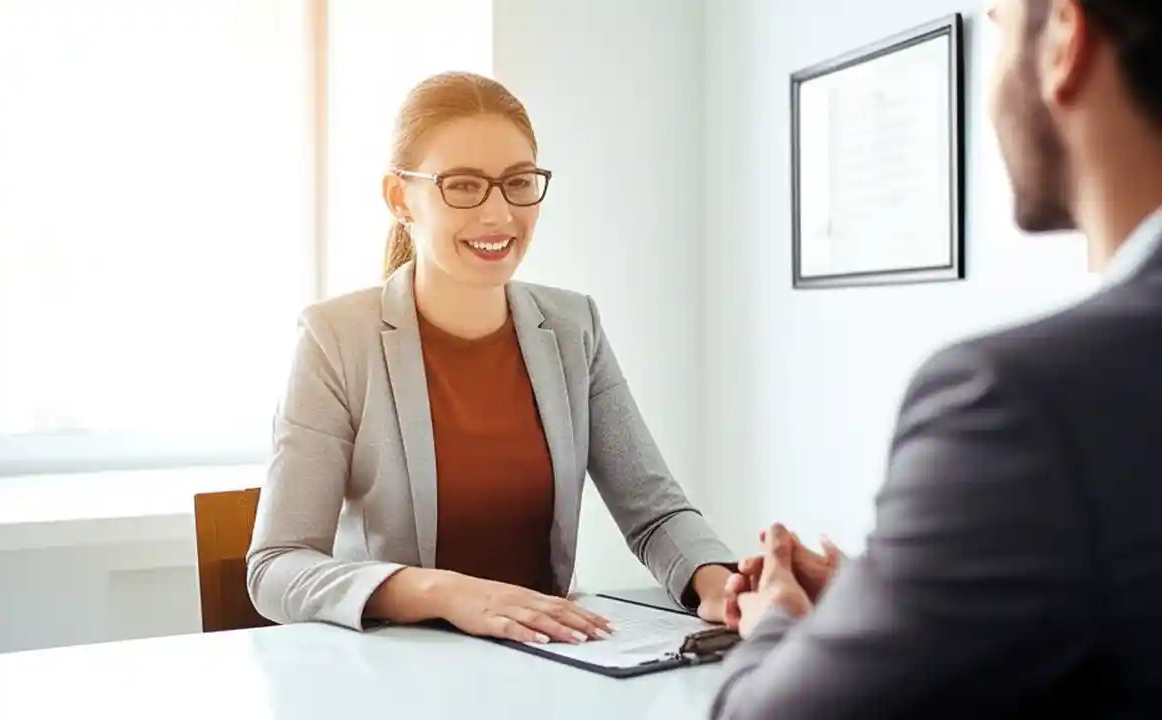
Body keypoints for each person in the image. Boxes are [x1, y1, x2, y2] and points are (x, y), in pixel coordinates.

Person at [711, 0, 1162, 716]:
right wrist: (889, 600)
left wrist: (778, 620)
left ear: (1064, 42)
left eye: (999, 27)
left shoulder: (1022, 403)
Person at [246, 71, 739, 646]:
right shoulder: (336, 338)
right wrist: (447, 592)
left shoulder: (574, 327)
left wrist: (724, 586)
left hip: (551, 666)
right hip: (397, 675)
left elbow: (655, 515)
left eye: (518, 182)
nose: (500, 215)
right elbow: (277, 566)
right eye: (462, 185)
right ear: (400, 197)